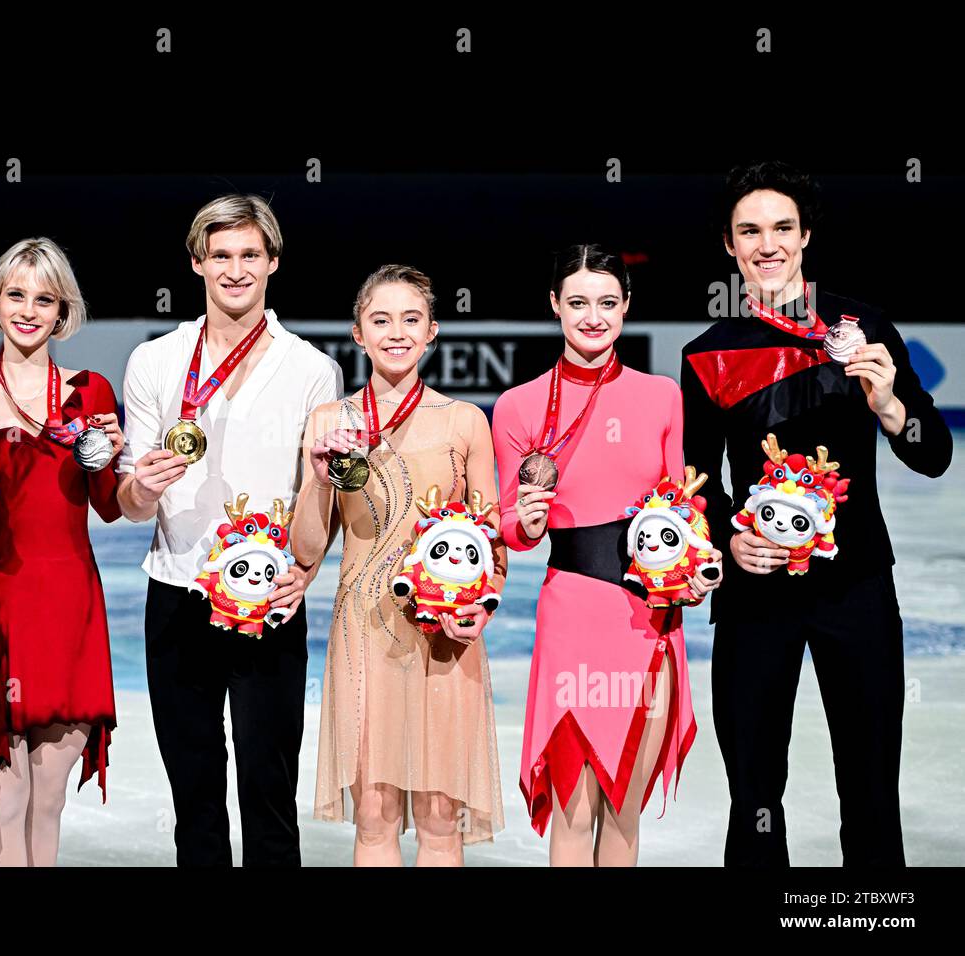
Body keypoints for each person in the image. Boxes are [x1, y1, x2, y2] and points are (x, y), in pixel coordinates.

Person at [682, 161, 953, 866]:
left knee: (868, 792)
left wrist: (892, 406)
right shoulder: (708, 355)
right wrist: (728, 543)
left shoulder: (863, 330)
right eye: (750, 231)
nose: (766, 243)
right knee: (757, 797)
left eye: (780, 228)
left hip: (855, 586)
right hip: (754, 596)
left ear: (804, 237)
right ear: (730, 246)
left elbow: (933, 454)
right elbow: (699, 480)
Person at [115, 194, 342, 866]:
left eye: (250, 255)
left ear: (272, 262)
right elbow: (129, 504)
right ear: (196, 262)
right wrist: (142, 485)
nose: (235, 270)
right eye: (221, 256)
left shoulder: (311, 370)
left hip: (267, 602)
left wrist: (305, 573)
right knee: (196, 804)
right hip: (177, 595)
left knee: (270, 801)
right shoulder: (155, 361)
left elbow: (319, 499)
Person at [492, 245, 714, 866]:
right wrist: (525, 521)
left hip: (648, 621)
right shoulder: (518, 406)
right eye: (579, 302)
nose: (594, 316)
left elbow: (681, 509)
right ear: (556, 306)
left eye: (608, 302)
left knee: (623, 810)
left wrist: (694, 574)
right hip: (572, 619)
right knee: (574, 807)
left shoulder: (662, 395)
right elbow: (511, 529)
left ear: (626, 307)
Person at [289, 264, 506, 866]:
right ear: (358, 332)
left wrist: (478, 610)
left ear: (432, 331)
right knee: (374, 819)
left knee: (441, 824)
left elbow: (491, 538)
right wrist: (314, 477)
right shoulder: (329, 423)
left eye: (411, 319)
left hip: (446, 638)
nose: (396, 332)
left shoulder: (464, 421)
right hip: (363, 635)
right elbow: (307, 550)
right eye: (380, 320)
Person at [0, 238, 126, 866]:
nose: (28, 309)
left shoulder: (92, 392)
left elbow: (111, 503)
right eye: (16, 294)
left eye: (44, 298)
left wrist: (133, 474)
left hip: (69, 606)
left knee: (48, 804)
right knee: (5, 803)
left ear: (62, 310)